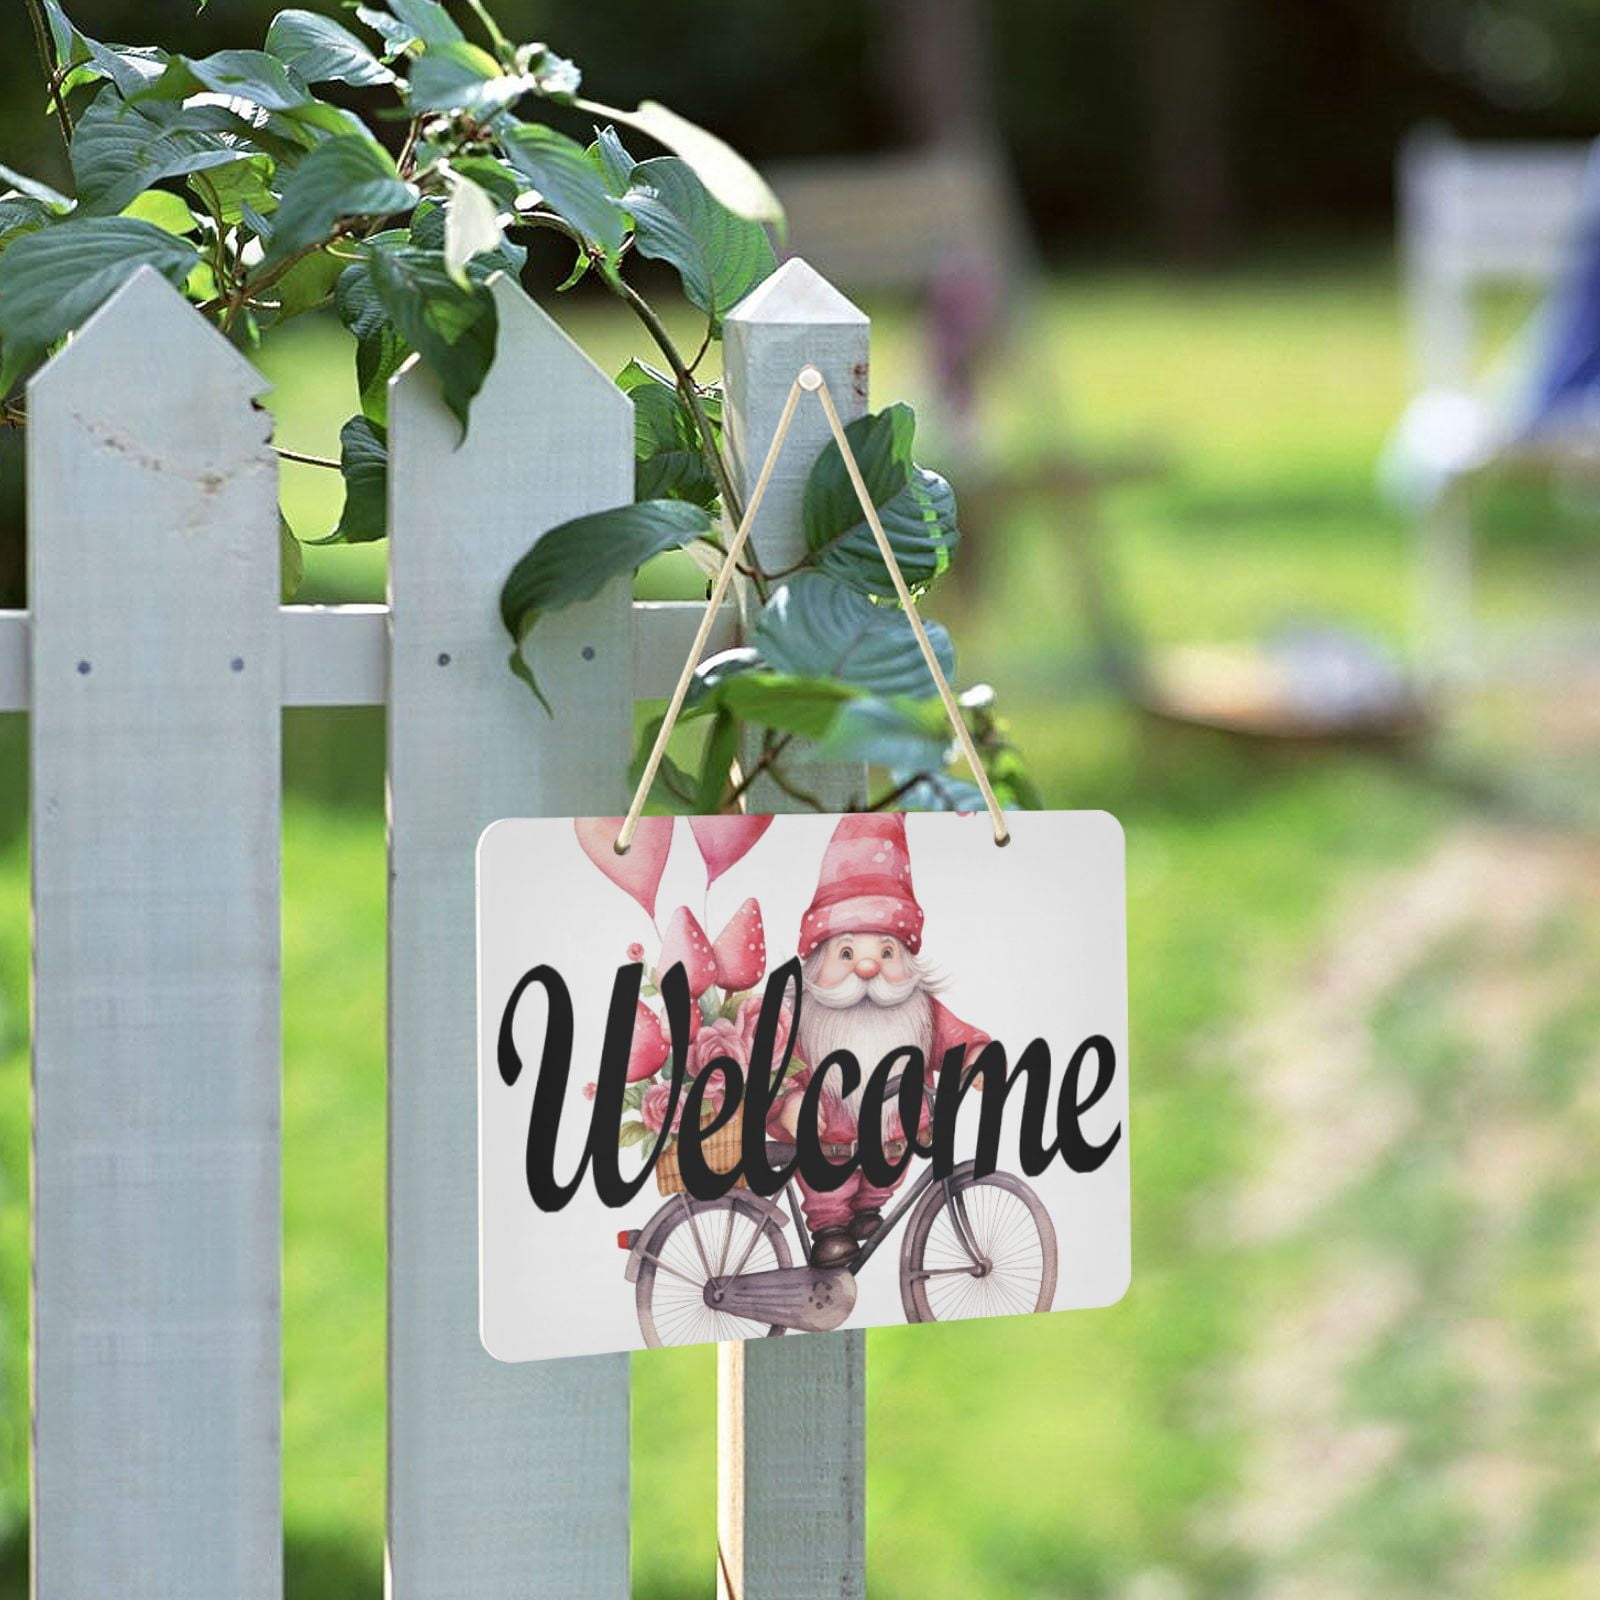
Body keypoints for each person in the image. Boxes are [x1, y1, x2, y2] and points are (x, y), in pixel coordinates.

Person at [767, 815, 988, 1267]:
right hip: (829, 1144)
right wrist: (789, 1104)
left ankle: (868, 1209)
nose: (867, 969)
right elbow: (774, 1065)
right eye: (846, 953)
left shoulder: (919, 1012)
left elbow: (953, 1037)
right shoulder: (803, 1018)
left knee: (880, 1182)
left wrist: (976, 1058)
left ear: (907, 961)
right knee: (829, 1183)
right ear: (816, 963)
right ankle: (829, 1226)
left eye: (885, 953)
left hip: (892, 1140)